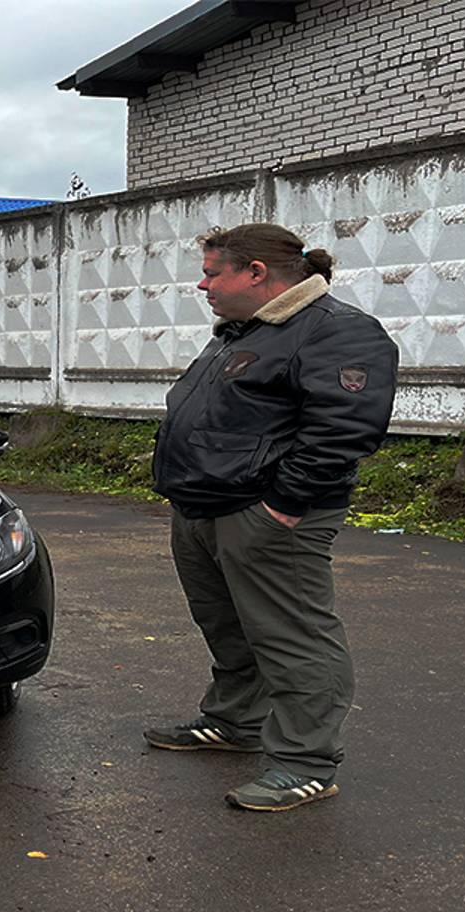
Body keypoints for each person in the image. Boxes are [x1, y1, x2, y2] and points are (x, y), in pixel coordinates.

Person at [144, 223, 398, 812]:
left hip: (268, 515)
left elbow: (342, 431)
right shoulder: (243, 332)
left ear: (256, 273)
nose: (202, 283)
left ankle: (306, 763)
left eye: (213, 272)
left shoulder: (338, 332)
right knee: (230, 626)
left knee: (294, 636)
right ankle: (238, 722)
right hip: (205, 508)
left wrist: (282, 507)